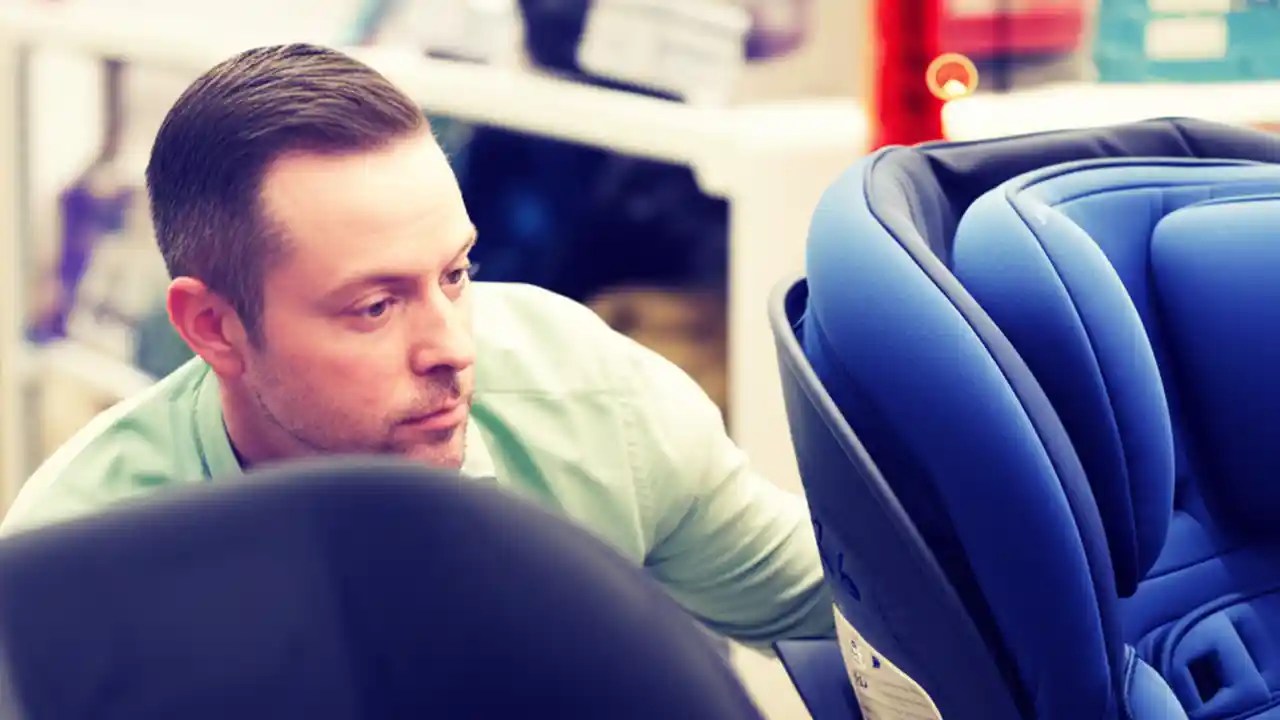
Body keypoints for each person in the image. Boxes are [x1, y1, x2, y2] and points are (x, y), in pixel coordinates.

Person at [0, 44, 833, 646]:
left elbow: (844, 613)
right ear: (214, 328)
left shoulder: (590, 402)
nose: (452, 348)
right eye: (374, 307)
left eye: (455, 274)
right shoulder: (73, 571)